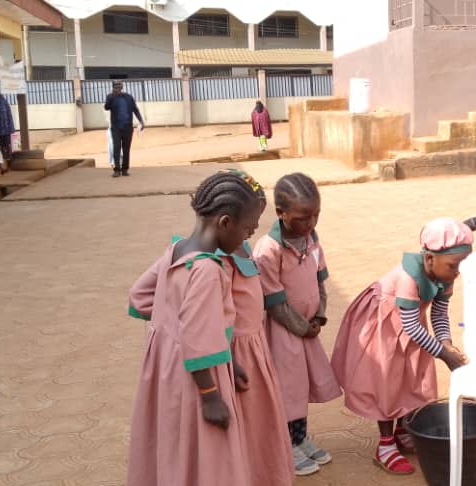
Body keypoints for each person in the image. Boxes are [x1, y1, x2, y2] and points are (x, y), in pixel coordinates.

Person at [126, 171, 263, 486]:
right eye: (247, 229)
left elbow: (140, 296)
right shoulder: (207, 271)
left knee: (175, 445)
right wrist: (210, 396)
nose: (247, 238)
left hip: (169, 372)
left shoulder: (176, 251)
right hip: (199, 379)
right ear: (225, 222)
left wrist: (171, 332)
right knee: (209, 456)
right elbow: (198, 339)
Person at [332, 218, 472, 475]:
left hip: (410, 330)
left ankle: (402, 431)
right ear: (429, 259)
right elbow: (409, 325)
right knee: (387, 383)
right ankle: (385, 445)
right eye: (454, 265)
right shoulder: (409, 276)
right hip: (383, 329)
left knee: (410, 379)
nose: (458, 272)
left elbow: (439, 314)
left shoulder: (445, 274)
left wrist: (446, 345)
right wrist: (442, 355)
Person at [252, 173, 341, 477]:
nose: (311, 223)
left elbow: (321, 282)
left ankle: (300, 437)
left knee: (301, 385)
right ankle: (285, 444)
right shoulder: (268, 250)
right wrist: (302, 327)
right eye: (304, 218)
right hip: (283, 332)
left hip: (306, 329)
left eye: (316, 215)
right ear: (281, 213)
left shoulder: (312, 239)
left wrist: (319, 316)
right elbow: (275, 303)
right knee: (285, 388)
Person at [103, 81, 144, 177]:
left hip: (128, 127)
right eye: (115, 87)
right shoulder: (110, 97)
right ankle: (116, 170)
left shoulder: (128, 97)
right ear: (113, 88)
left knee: (126, 149)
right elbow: (106, 107)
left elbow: (135, 110)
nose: (117, 88)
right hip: (116, 127)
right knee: (116, 148)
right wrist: (112, 96)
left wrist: (141, 121)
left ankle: (125, 169)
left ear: (122, 87)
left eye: (119, 86)